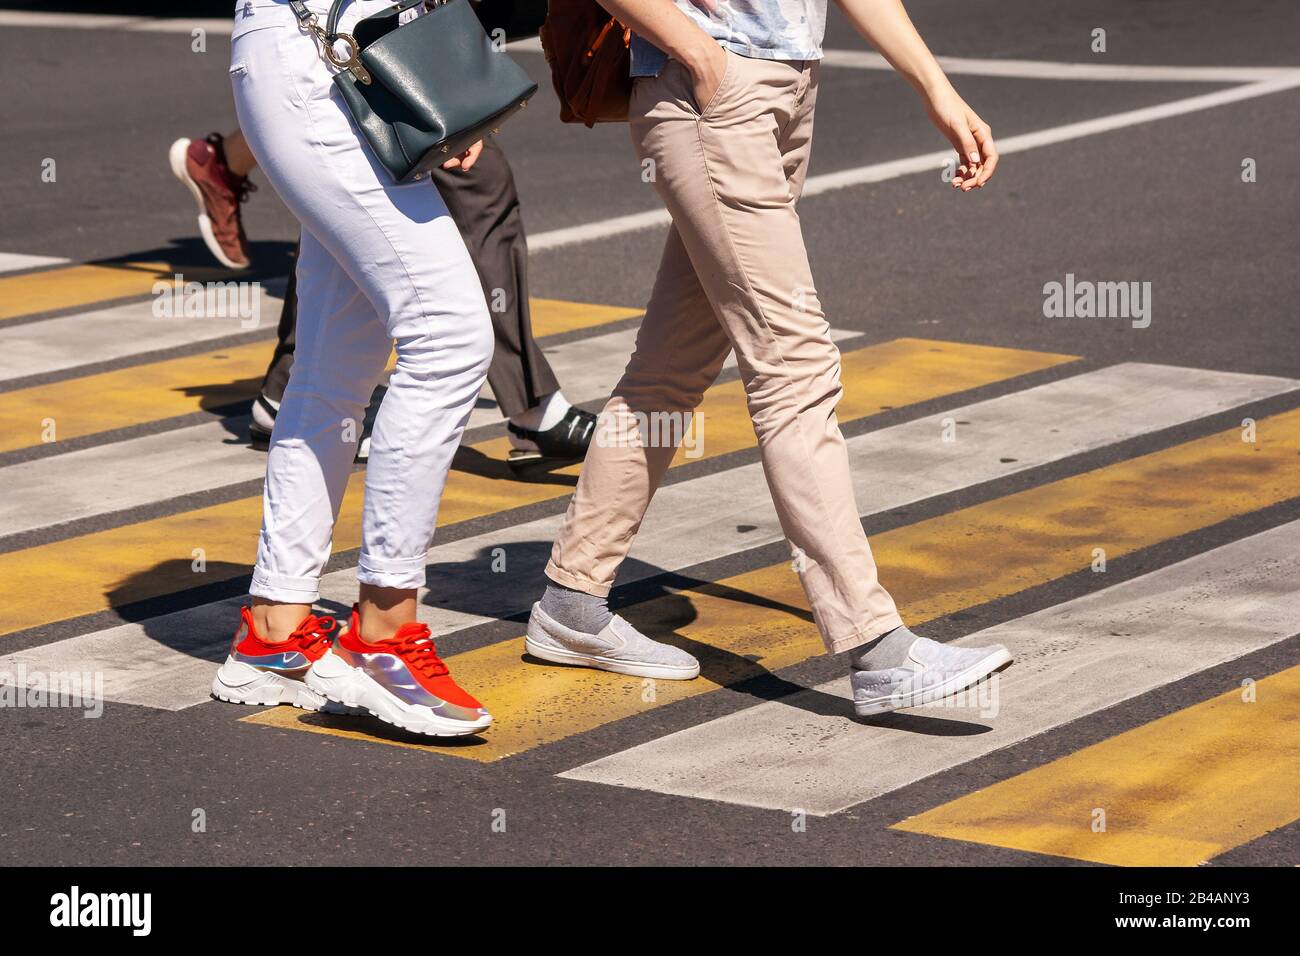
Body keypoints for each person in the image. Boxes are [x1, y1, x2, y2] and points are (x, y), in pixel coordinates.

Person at [526, 0, 1012, 717]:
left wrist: (935, 87)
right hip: (710, 91)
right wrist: (696, 50)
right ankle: (875, 647)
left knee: (674, 363)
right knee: (795, 364)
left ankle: (572, 600)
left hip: (780, 88)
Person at [208, 0, 496, 736]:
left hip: (353, 54)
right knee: (451, 336)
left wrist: (440, 70)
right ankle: (382, 635)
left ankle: (273, 633)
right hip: (319, 58)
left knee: (338, 362)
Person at [171, 128, 596, 471]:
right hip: (354, 39)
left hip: (364, 40)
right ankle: (531, 409)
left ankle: (293, 387)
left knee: (359, 185)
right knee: (413, 175)